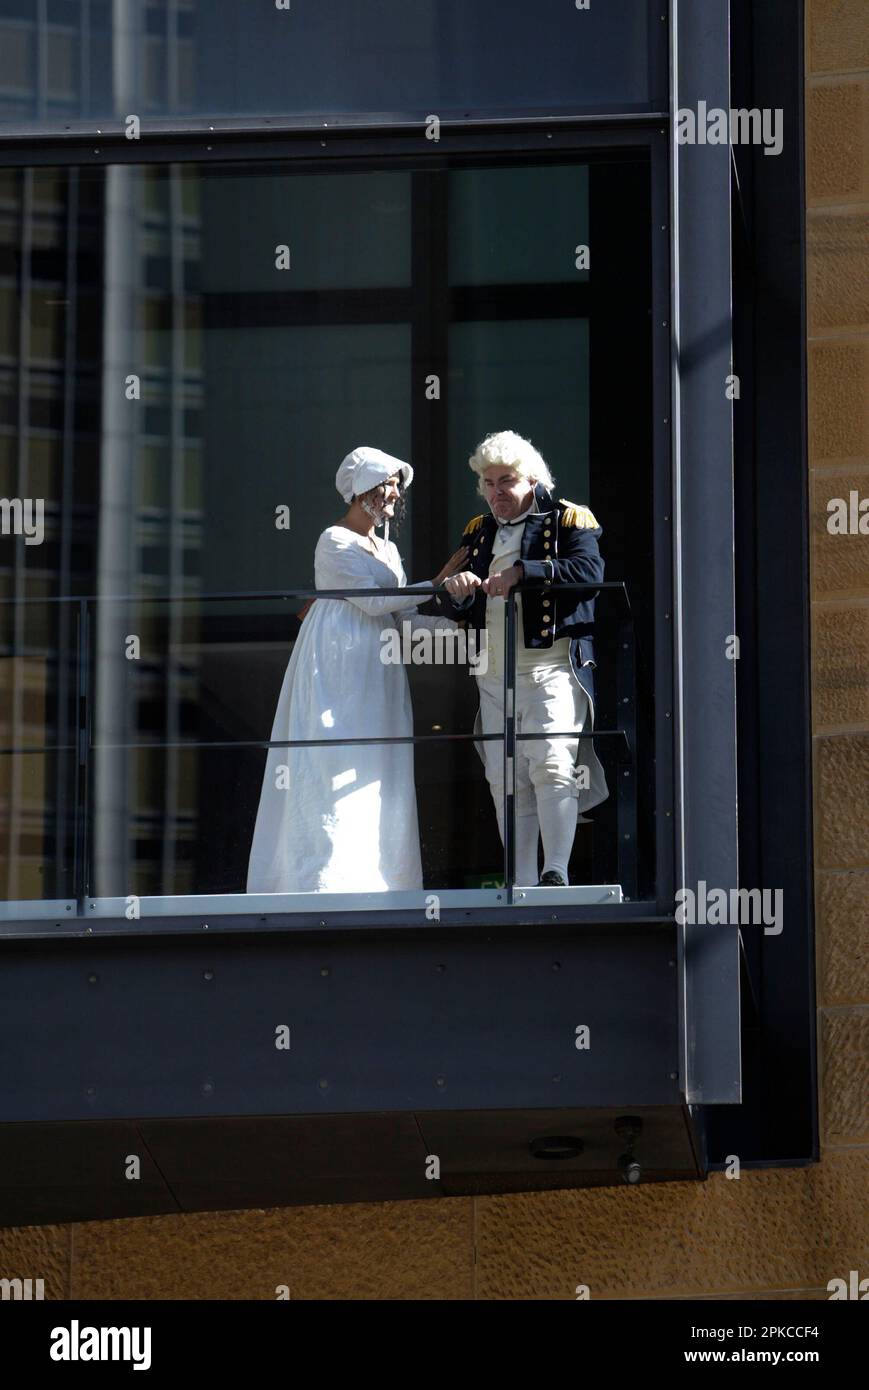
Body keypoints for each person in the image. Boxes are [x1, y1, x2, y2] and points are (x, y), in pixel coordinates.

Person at [246, 446, 466, 894]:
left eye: (396, 488)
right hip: (336, 665)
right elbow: (372, 601)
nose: (393, 495)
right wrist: (437, 582)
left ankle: (377, 883)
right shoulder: (334, 540)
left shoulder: (387, 550)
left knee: (375, 770)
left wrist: (467, 627)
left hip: (378, 671)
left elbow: (403, 621)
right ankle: (320, 884)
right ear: (360, 489)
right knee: (331, 762)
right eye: (386, 485)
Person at [434, 430, 608, 886]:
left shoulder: (569, 519)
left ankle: (556, 873)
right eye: (488, 484)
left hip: (551, 663)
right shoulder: (479, 530)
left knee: (551, 763)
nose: (496, 493)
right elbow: (456, 607)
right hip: (493, 670)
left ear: (531, 479)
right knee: (505, 776)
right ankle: (521, 880)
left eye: (505, 481)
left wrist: (521, 573)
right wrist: (456, 593)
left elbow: (590, 574)